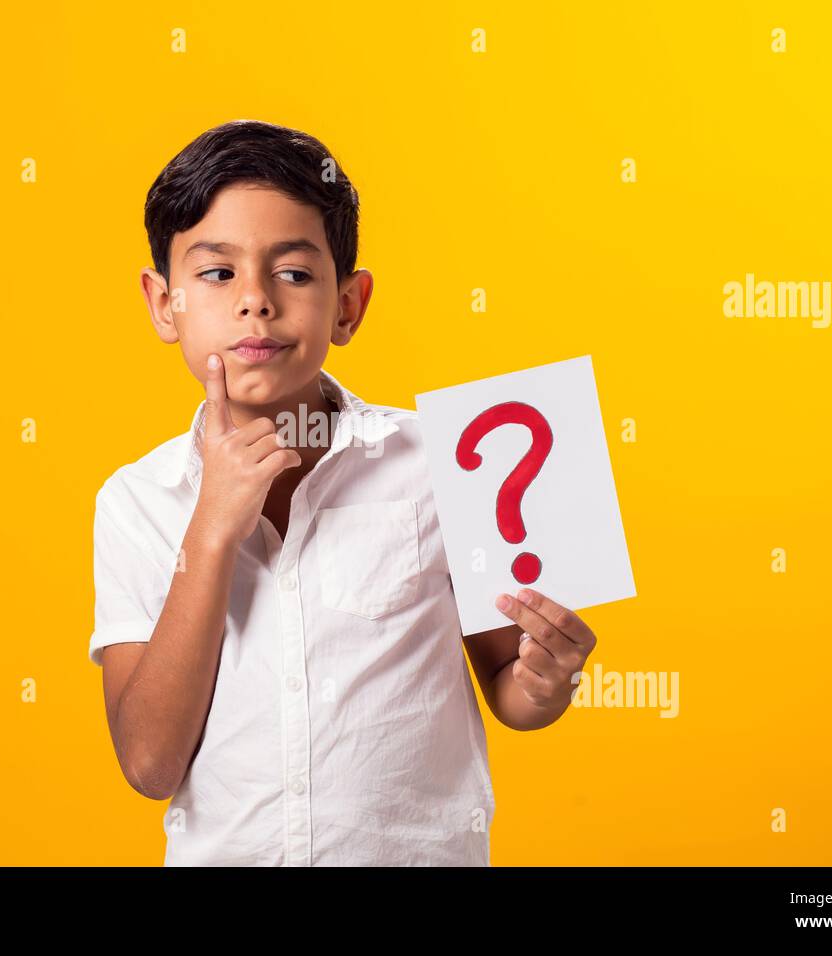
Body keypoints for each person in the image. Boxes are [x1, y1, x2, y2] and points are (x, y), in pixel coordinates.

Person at [90, 119, 599, 865]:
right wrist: (209, 533)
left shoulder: (440, 465)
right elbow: (149, 764)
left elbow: (510, 686)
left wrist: (546, 680)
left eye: (293, 273)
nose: (256, 302)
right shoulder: (137, 501)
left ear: (348, 305)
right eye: (218, 273)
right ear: (164, 303)